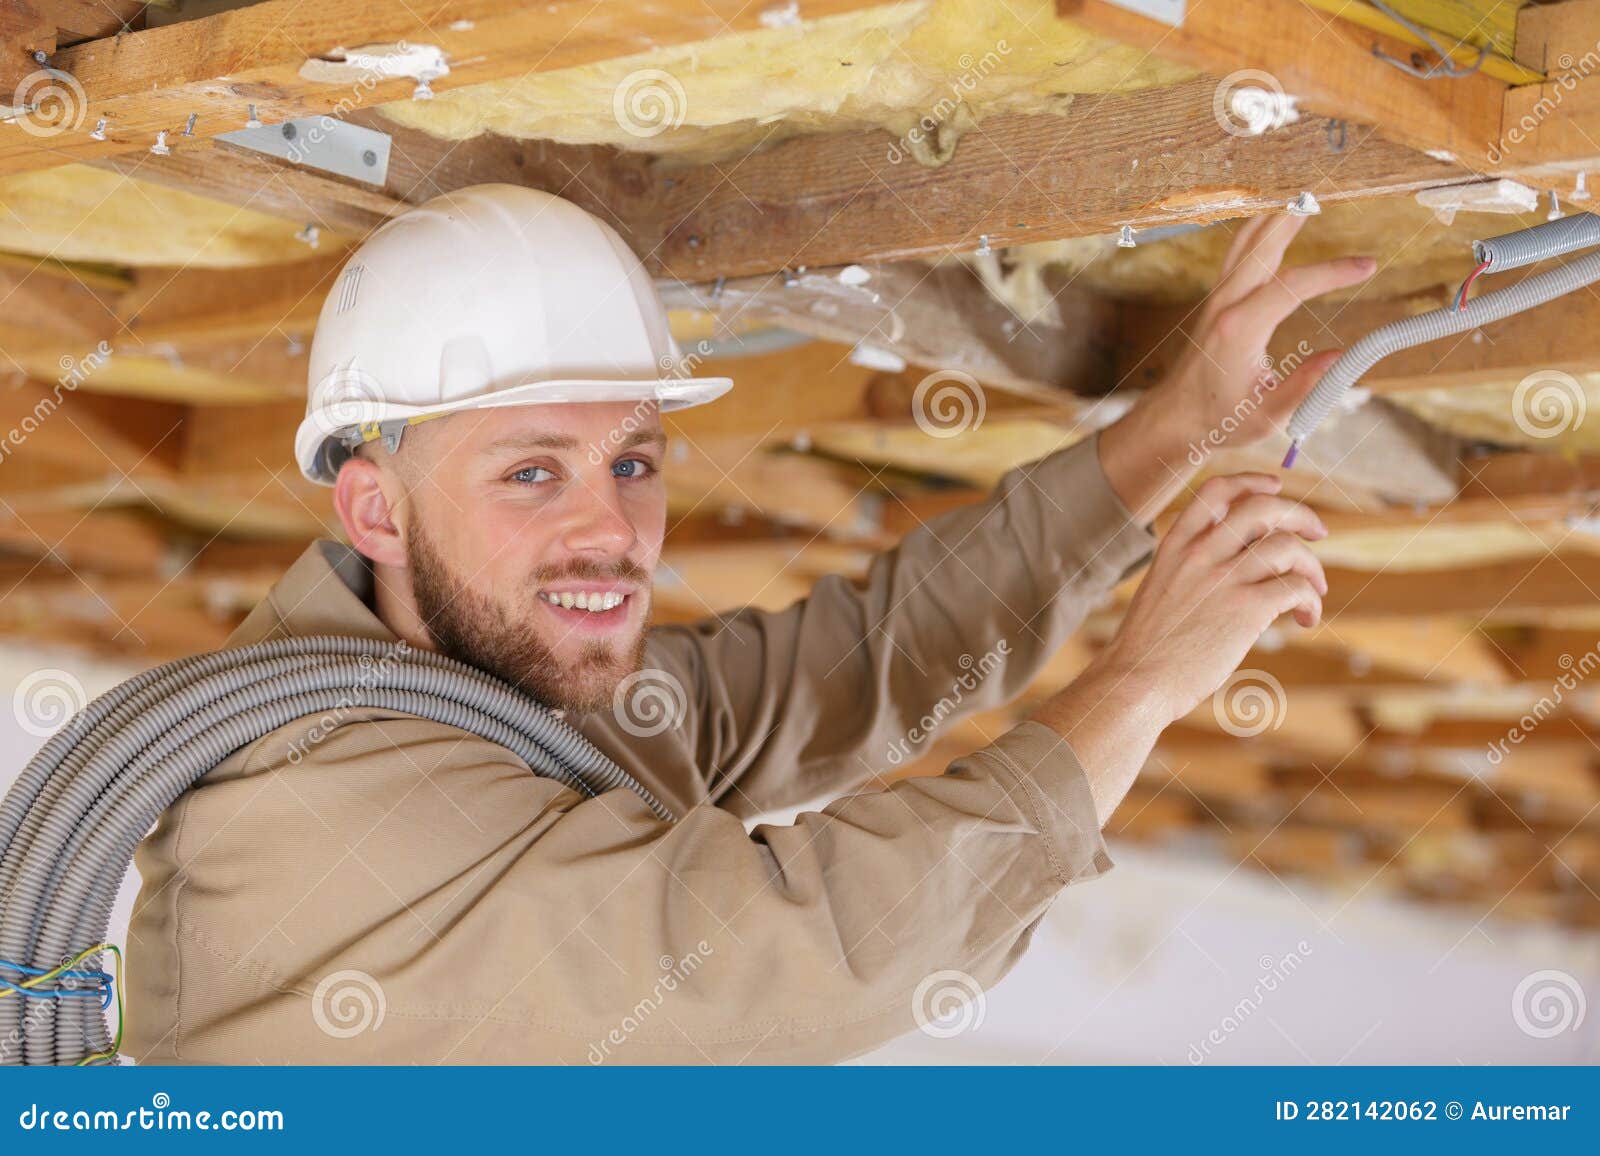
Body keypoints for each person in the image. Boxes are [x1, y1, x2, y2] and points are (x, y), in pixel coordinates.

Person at [126, 185, 1373, 1064]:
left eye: (633, 460)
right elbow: (798, 950)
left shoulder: (509, 697)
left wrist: (1182, 427)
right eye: (529, 472)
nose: (609, 529)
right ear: (375, 509)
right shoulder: (330, 797)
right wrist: (1140, 683)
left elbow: (871, 663)